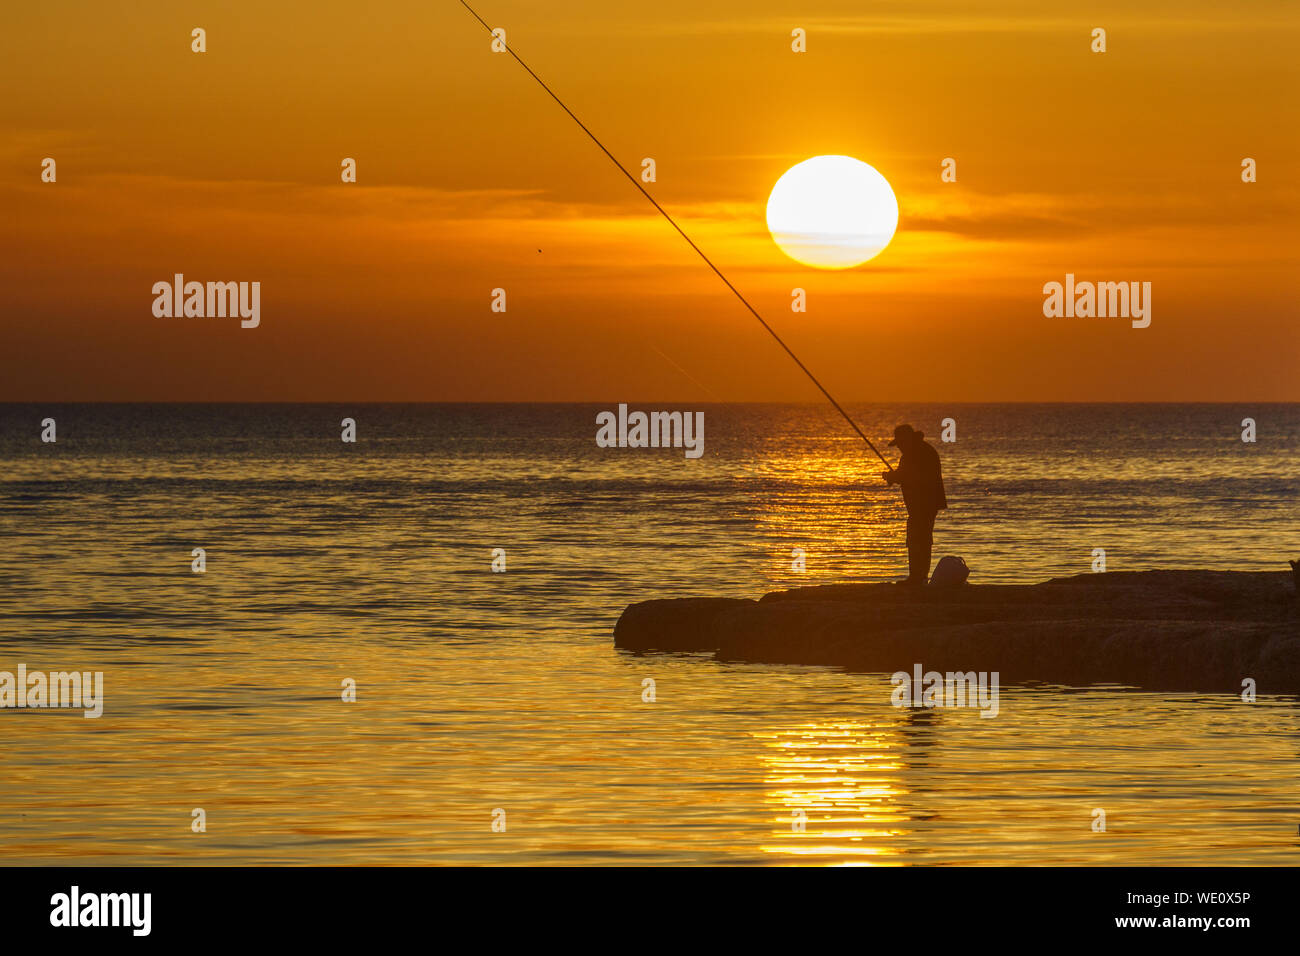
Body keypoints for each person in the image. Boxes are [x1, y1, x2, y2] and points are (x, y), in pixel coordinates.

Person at [881, 424, 947, 584]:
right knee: (921, 538)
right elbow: (906, 476)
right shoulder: (921, 450)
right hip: (927, 503)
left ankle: (917, 577)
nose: (900, 448)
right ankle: (919, 576)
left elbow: (908, 476)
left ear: (907, 439)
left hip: (923, 504)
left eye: (901, 443)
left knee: (917, 539)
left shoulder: (915, 453)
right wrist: (894, 477)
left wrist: (891, 477)